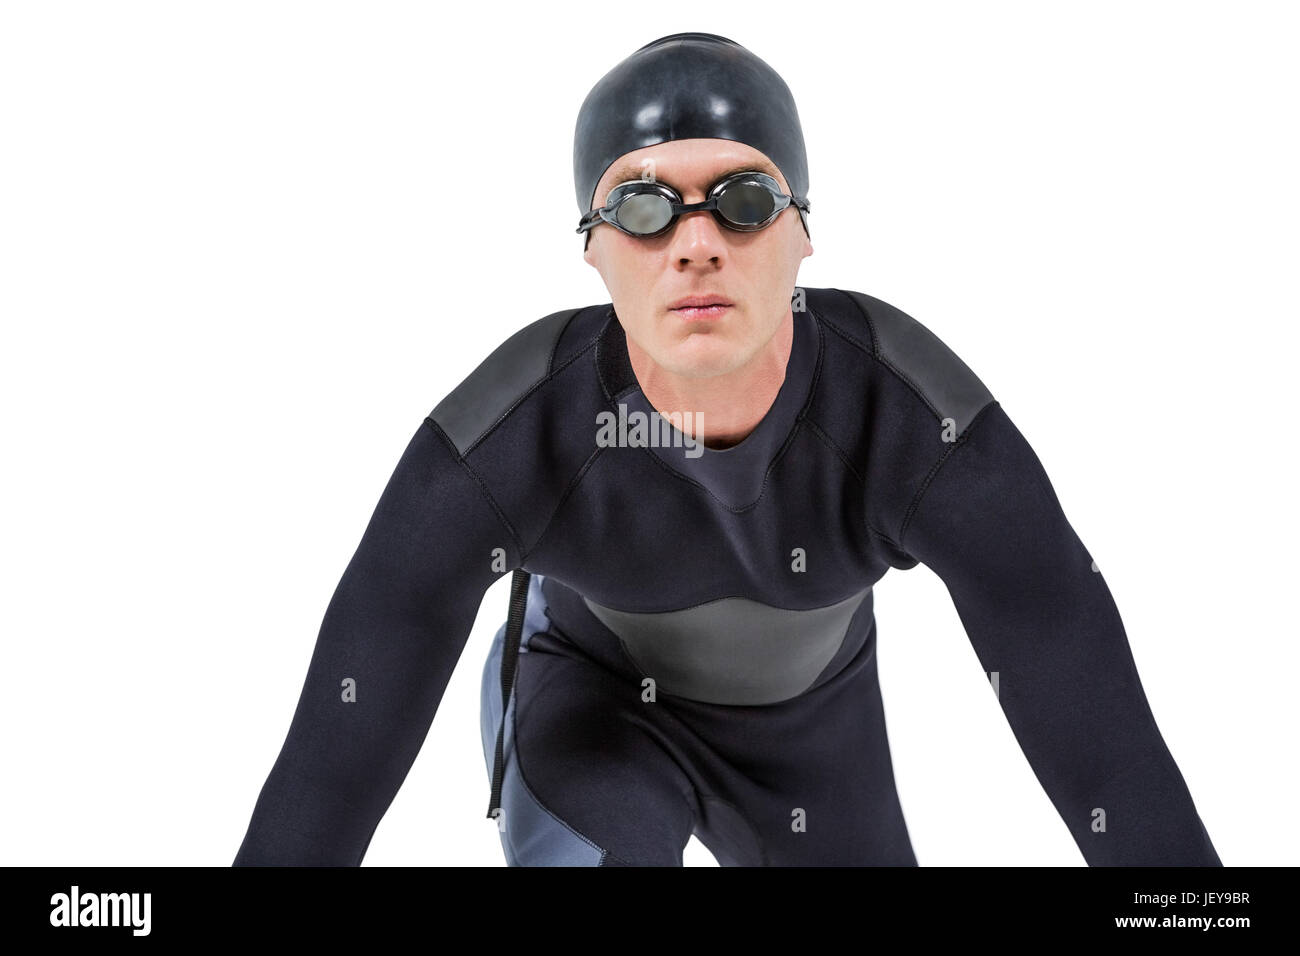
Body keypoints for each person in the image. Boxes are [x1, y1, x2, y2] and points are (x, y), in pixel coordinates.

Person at [233, 32, 1221, 866]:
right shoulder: (510, 433)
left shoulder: (911, 415)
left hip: (817, 744)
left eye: (742, 200)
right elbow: (335, 761)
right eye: (642, 206)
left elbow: (1096, 730)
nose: (694, 242)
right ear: (593, 248)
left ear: (802, 232)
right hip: (590, 711)